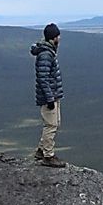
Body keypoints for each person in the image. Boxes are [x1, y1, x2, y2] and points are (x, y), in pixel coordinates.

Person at [31, 23, 65, 167]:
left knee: (54, 124)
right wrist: (50, 99)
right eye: (58, 36)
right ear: (53, 38)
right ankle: (48, 156)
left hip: (53, 95)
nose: (60, 38)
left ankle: (41, 150)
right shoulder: (46, 54)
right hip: (49, 97)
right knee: (51, 125)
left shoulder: (48, 52)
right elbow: (43, 78)